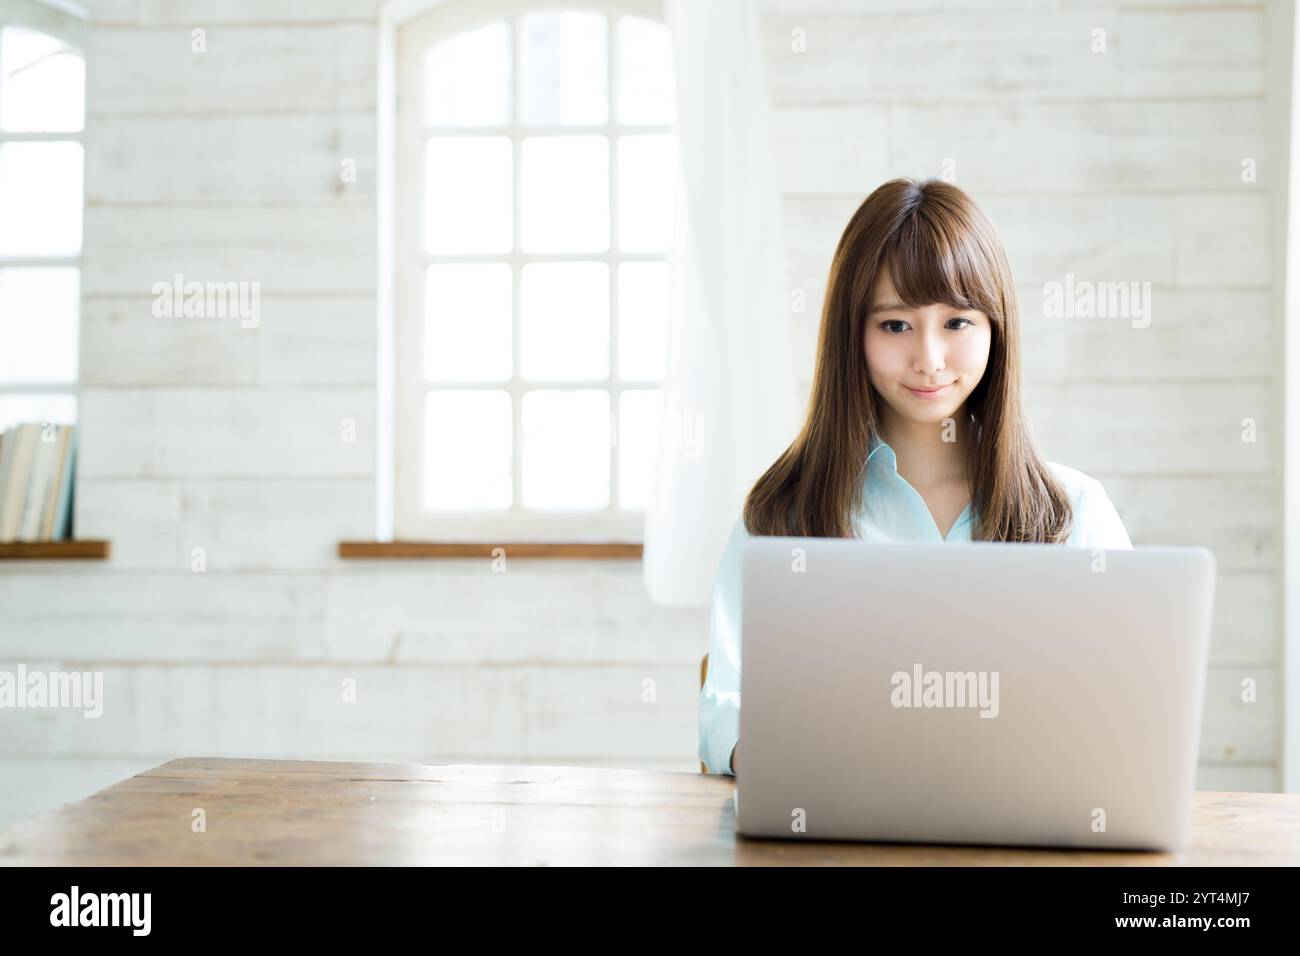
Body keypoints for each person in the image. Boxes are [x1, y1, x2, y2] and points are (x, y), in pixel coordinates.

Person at [699, 178, 1133, 776]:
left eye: (957, 322)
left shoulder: (1074, 513)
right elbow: (726, 710)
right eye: (895, 325)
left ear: (995, 329)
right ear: (851, 336)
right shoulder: (783, 515)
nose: (929, 358)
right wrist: (810, 761)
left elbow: (1127, 718)